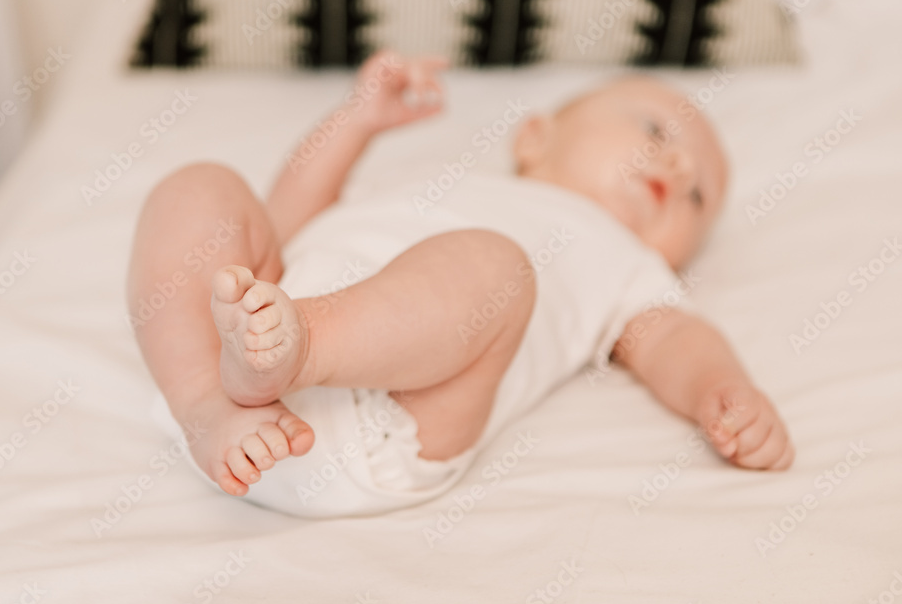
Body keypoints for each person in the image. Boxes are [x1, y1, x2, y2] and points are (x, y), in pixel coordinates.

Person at [127, 50, 794, 518]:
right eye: (654, 130)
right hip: (233, 405)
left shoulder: (624, 260)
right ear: (534, 138)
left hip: (393, 415)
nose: (679, 167)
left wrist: (723, 390)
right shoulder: (438, 187)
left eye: (699, 196)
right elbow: (289, 219)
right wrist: (355, 120)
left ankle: (298, 347)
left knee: (495, 267)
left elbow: (676, 338)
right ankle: (201, 400)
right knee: (199, 189)